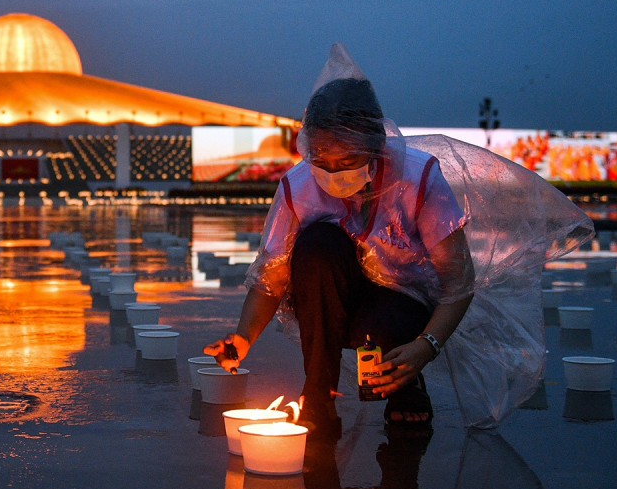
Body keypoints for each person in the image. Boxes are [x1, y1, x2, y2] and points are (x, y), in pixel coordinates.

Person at [205, 44, 593, 438]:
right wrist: (243, 336)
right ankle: (317, 392)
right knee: (317, 245)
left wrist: (427, 346)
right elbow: (271, 278)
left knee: (387, 323)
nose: (333, 174)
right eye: (322, 161)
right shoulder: (299, 187)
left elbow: (459, 282)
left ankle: (405, 385)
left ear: (374, 148)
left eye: (347, 161)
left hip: (405, 309)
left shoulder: (416, 178)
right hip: (332, 303)